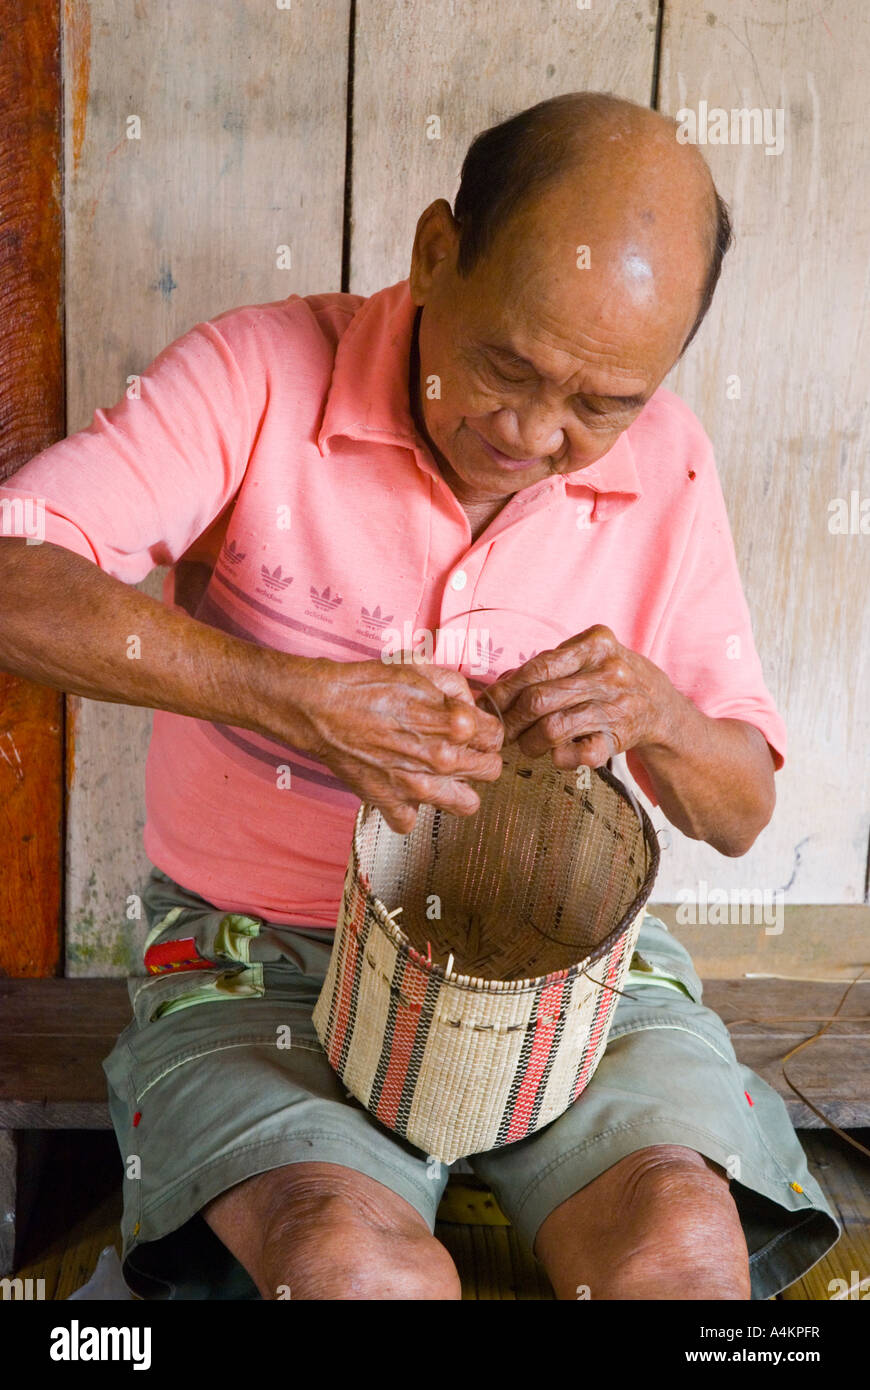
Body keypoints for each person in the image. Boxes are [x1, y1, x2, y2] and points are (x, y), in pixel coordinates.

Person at [0, 91, 839, 1300]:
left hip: (564, 963)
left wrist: (654, 710)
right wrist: (296, 698)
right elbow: (20, 575)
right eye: (508, 366)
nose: (535, 432)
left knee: (681, 1250)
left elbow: (741, 809)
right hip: (266, 955)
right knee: (348, 1267)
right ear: (435, 250)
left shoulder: (674, 462)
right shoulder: (260, 374)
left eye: (601, 405)